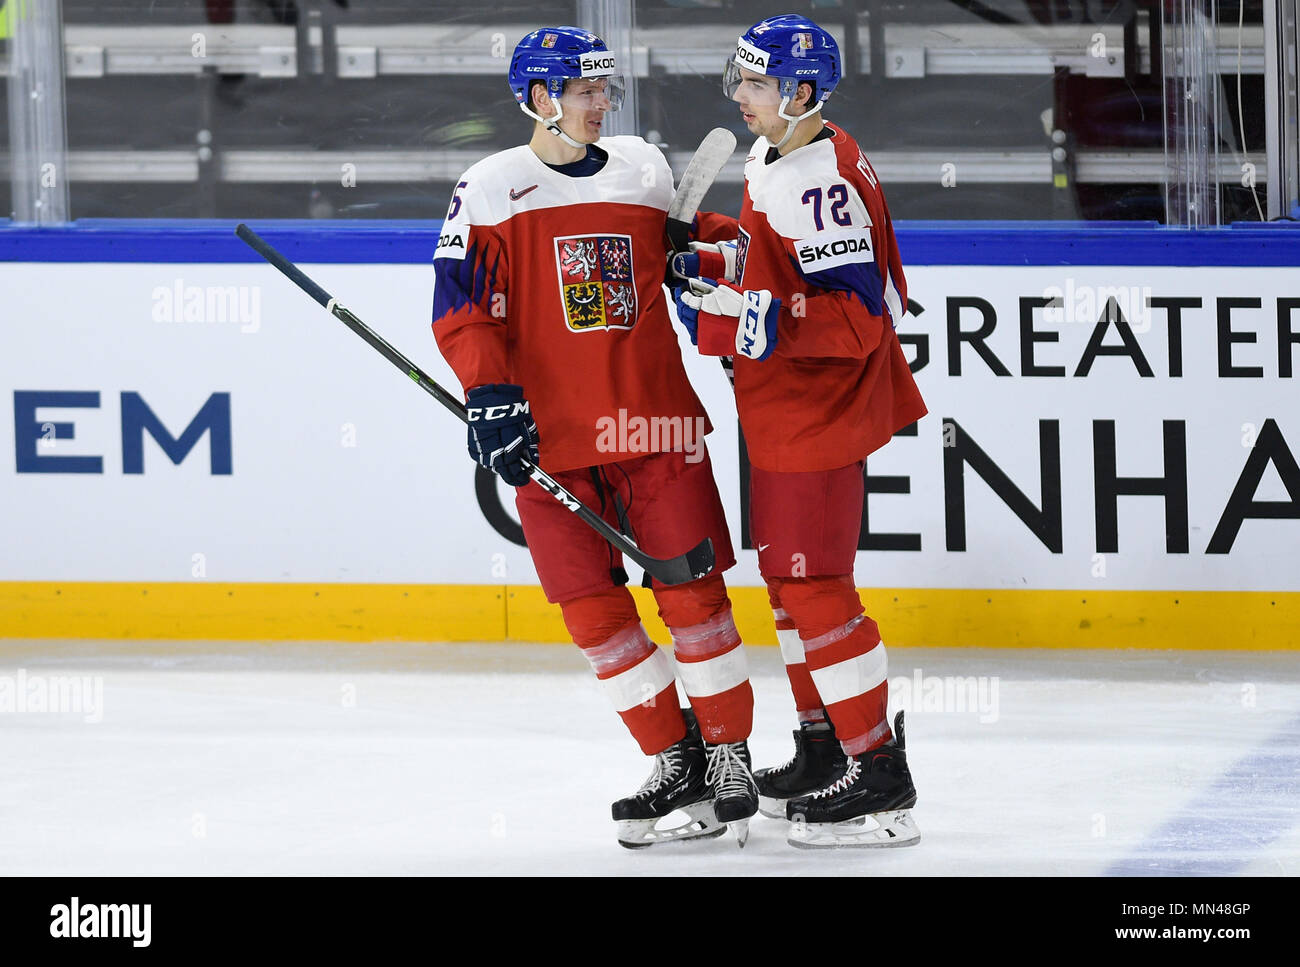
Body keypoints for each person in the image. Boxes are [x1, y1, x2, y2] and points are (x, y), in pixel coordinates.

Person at [431, 26, 757, 848]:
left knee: (693, 594)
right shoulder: (491, 186)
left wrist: (713, 246)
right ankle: (673, 753)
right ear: (540, 98)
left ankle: (729, 753)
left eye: (605, 90)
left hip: (655, 421)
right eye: (585, 91)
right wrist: (493, 396)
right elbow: (461, 307)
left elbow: (696, 245)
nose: (601, 102)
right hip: (553, 438)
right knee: (591, 612)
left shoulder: (645, 169)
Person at [671, 13, 926, 848]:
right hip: (784, 406)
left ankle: (879, 770)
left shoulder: (819, 178)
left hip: (822, 409)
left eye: (754, 84)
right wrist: (708, 259)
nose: (739, 97)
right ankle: (824, 748)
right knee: (786, 580)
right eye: (738, 80)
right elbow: (771, 264)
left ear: (801, 93)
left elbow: (855, 319)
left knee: (817, 585)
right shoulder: (780, 151)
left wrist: (742, 317)